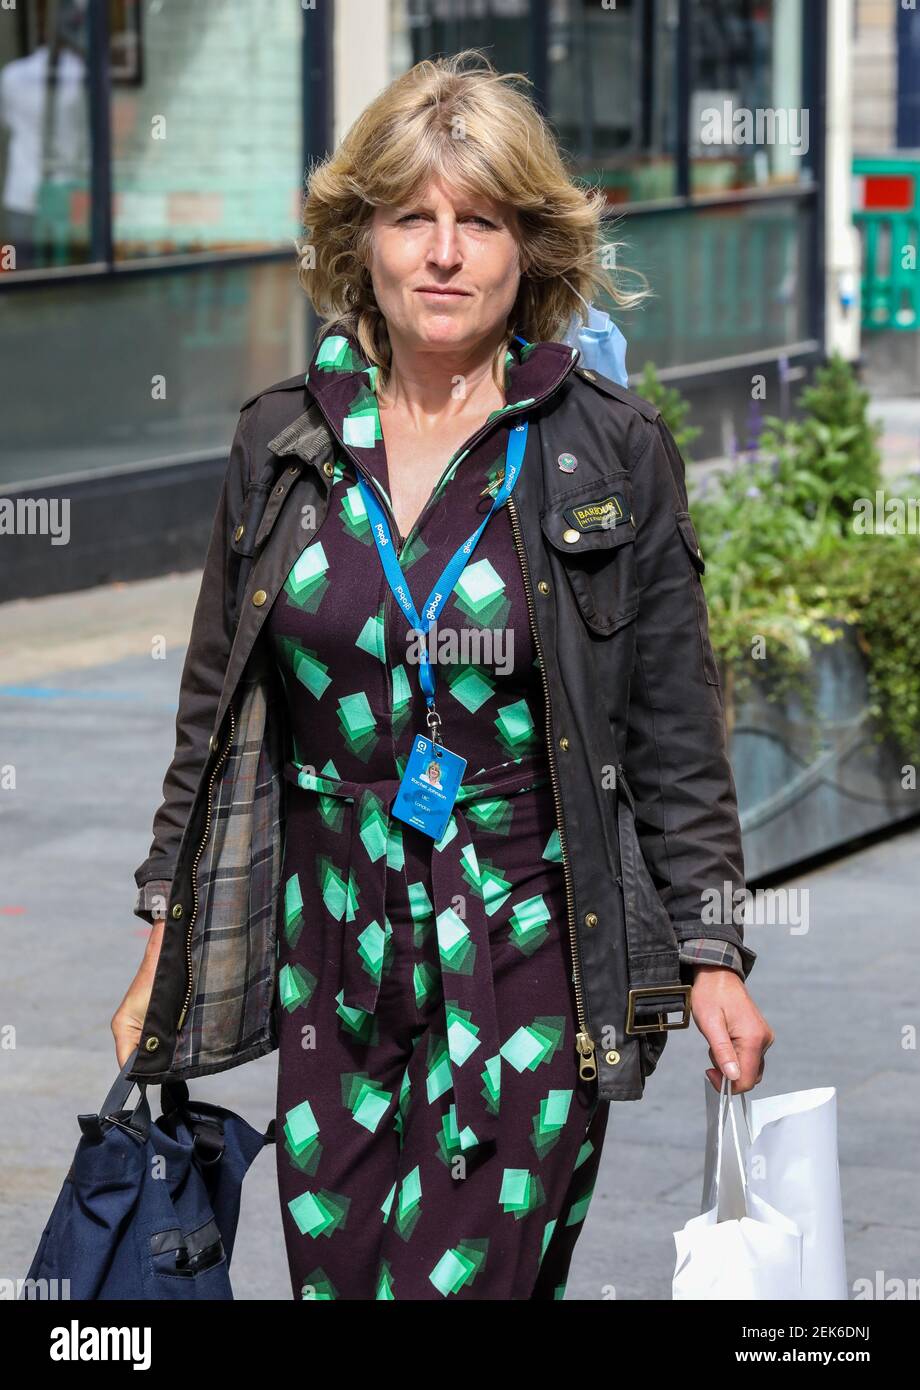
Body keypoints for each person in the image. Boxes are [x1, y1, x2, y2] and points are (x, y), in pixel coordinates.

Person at [112, 50, 773, 1301]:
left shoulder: (602, 449)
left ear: (531, 246)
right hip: (331, 940)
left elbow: (674, 727)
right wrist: (165, 932)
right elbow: (211, 710)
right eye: (411, 216)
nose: (443, 252)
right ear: (358, 236)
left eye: (478, 220)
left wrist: (712, 951)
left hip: (526, 928)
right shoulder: (286, 437)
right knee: (335, 1280)